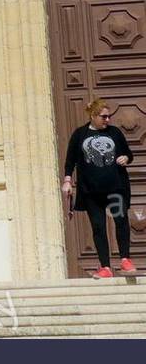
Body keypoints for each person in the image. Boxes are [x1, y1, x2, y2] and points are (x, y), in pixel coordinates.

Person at [62, 99, 137, 278]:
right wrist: (67, 181)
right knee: (98, 227)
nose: (107, 120)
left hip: (115, 188)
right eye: (103, 117)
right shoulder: (80, 134)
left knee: (121, 221)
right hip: (91, 192)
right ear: (93, 116)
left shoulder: (115, 133)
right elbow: (70, 160)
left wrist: (126, 158)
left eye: (109, 116)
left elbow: (129, 154)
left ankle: (125, 260)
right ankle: (105, 267)